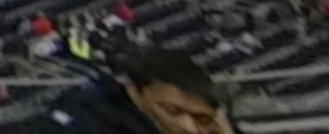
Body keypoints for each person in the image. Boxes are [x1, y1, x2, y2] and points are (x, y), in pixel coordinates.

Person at [45, 47, 237, 134]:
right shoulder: (90, 115)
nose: (188, 127)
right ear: (134, 92)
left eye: (199, 117)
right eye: (173, 111)